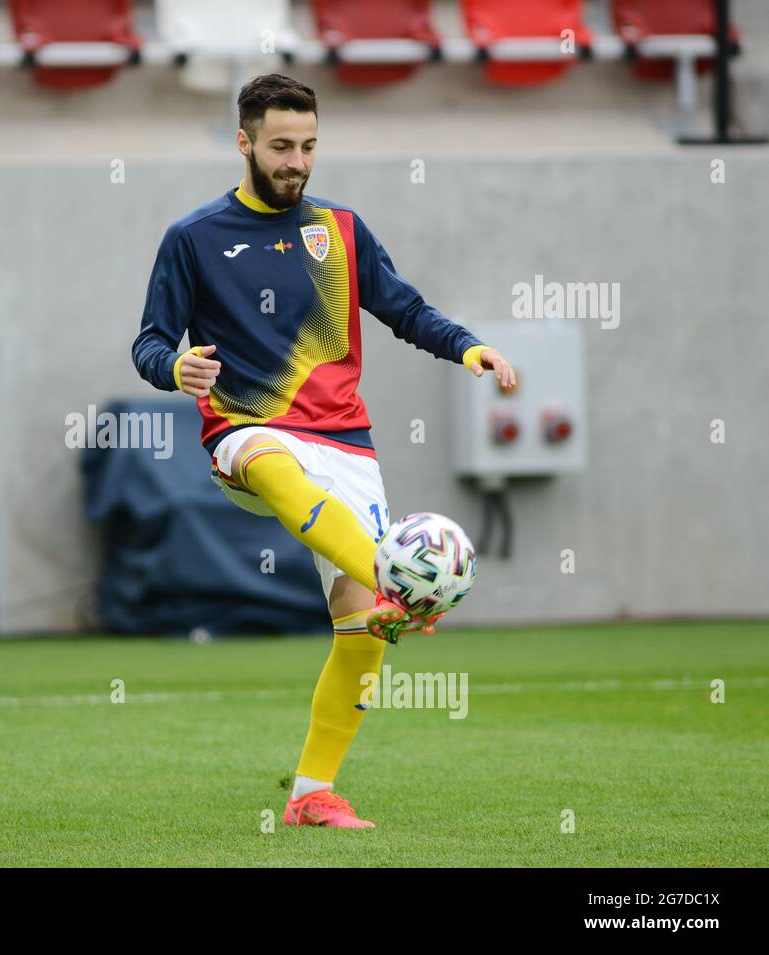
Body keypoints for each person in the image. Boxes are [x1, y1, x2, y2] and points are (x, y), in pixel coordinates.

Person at [131, 74, 515, 829]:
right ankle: (394, 579)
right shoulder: (193, 238)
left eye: (308, 146)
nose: (296, 161)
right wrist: (174, 369)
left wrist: (468, 348)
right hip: (246, 430)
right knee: (273, 467)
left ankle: (312, 793)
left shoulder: (339, 228)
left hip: (343, 440)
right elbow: (148, 341)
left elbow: (404, 308)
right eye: (280, 146)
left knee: (361, 629)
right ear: (243, 143)